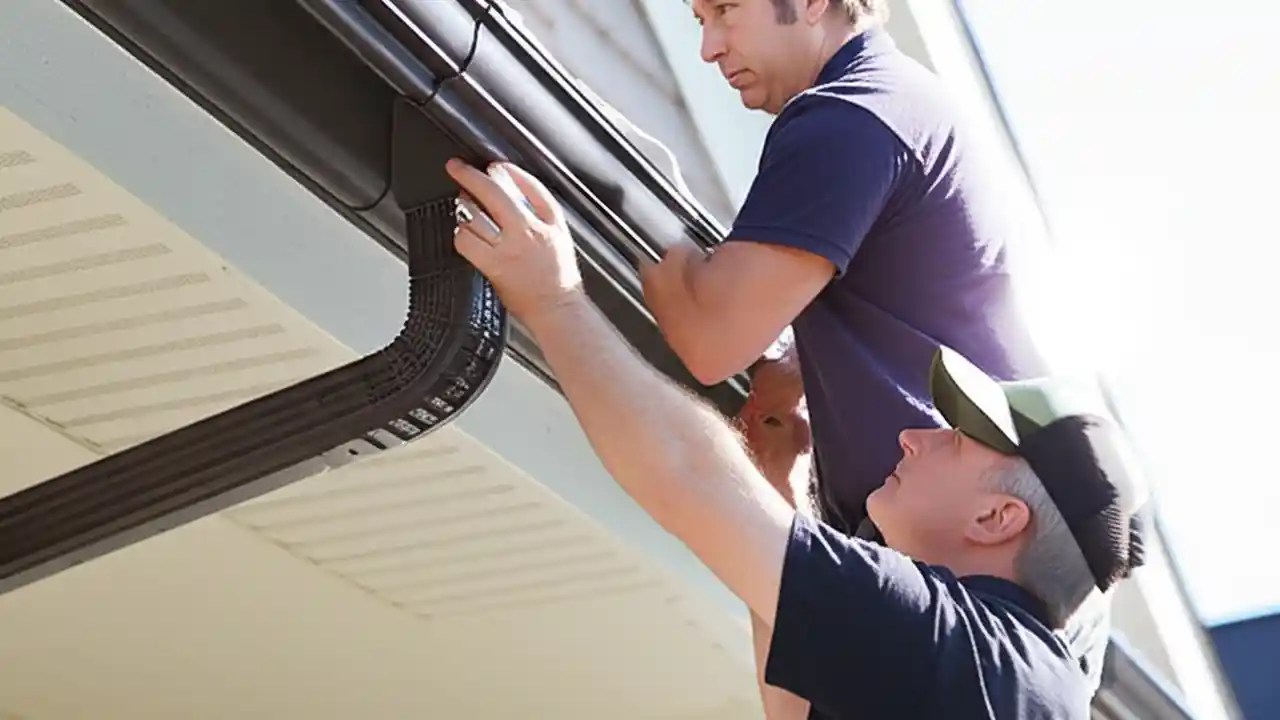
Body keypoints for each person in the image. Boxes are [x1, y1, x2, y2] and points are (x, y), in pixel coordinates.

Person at [443, 158, 1149, 719]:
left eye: (957, 440)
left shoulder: (978, 657)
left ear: (999, 518)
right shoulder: (1000, 678)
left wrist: (554, 299)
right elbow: (799, 705)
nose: (912, 438)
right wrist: (783, 485)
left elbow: (689, 474)